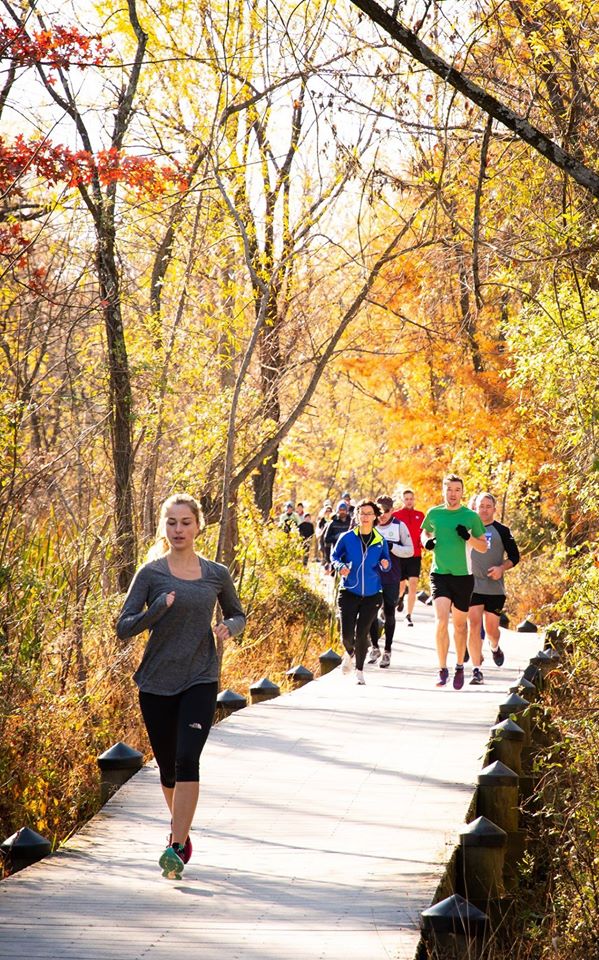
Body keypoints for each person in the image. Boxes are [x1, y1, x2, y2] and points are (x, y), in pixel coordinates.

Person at [116, 493, 246, 879]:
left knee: (188, 759)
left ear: (198, 526)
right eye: (171, 522)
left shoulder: (216, 573)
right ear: (164, 527)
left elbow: (238, 613)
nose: (178, 530)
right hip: (156, 682)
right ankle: (182, 834)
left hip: (200, 677)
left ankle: (175, 845)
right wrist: (158, 609)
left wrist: (229, 627)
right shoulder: (151, 574)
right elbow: (124, 627)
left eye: (185, 522)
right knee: (168, 768)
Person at [421, 474, 488, 690]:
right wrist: (426, 542)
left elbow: (483, 547)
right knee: (441, 620)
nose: (453, 494)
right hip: (439, 574)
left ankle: (459, 665)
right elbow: (425, 532)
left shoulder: (471, 517)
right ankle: (442, 669)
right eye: (449, 489)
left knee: (460, 625)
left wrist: (468, 537)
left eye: (457, 490)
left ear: (462, 492)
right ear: (444, 491)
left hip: (463, 577)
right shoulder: (434, 513)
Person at [331, 499, 390, 684]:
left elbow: (386, 562)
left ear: (375, 517)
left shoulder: (380, 540)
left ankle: (359, 671)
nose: (365, 517)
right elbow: (334, 556)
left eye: (369, 514)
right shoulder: (347, 538)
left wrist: (385, 564)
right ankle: (350, 652)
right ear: (356, 516)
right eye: (362, 513)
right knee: (347, 636)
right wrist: (340, 566)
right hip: (349, 591)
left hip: (372, 594)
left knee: (363, 632)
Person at [466, 493, 521, 684]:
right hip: (472, 585)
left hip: (494, 587)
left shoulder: (502, 531)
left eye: (488, 506)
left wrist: (501, 568)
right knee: (473, 625)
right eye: (481, 505)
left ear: (494, 509)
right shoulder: (467, 530)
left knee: (491, 630)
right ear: (475, 507)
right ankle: (476, 670)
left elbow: (514, 556)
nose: (484, 509)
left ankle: (494, 647)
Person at [367, 496, 413, 668]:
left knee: (389, 613)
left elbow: (410, 550)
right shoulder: (369, 525)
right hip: (372, 577)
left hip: (391, 578)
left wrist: (392, 547)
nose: (383, 515)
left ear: (392, 510)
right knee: (370, 613)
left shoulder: (399, 526)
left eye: (386, 511)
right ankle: (374, 647)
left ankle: (387, 651)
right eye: (379, 511)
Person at [393, 488, 426, 626]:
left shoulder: (420, 515)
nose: (409, 501)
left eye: (411, 499)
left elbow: (424, 533)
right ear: (402, 500)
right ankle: (399, 599)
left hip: (415, 555)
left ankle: (409, 615)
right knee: (401, 587)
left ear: (414, 500)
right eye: (406, 499)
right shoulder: (396, 515)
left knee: (413, 585)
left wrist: (424, 544)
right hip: (400, 555)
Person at [322, 500, 352, 571]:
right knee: (335, 573)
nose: (342, 512)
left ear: (346, 511)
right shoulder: (332, 523)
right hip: (336, 553)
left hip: (349, 552)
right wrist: (336, 537)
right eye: (340, 510)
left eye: (344, 510)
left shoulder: (351, 522)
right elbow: (326, 539)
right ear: (337, 511)